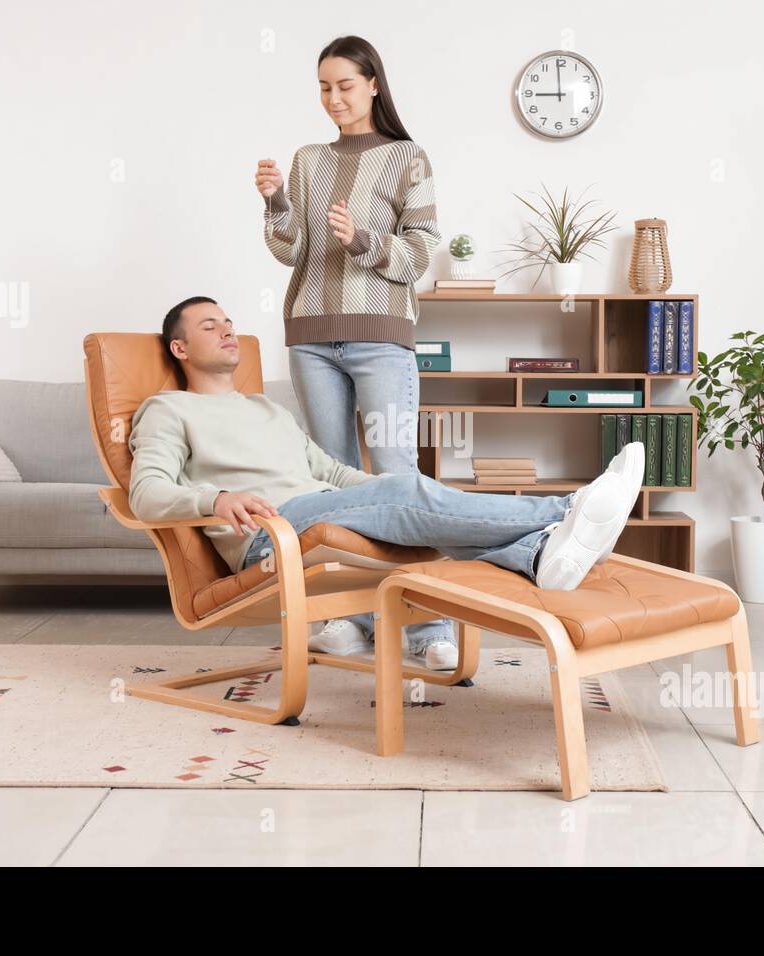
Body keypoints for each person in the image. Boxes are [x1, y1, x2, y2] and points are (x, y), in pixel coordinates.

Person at [128, 298, 644, 669]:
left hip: (321, 508)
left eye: (230, 323)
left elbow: (331, 472)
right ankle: (567, 511)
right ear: (179, 347)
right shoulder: (167, 409)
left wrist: (377, 491)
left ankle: (536, 555)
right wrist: (215, 498)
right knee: (406, 492)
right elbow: (145, 495)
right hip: (270, 534)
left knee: (406, 493)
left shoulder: (266, 408)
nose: (227, 331)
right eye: (210, 325)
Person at [253, 35, 453, 661]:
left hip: (379, 337)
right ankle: (349, 618)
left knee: (395, 476)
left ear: (372, 84)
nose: (333, 98)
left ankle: (427, 627)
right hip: (311, 337)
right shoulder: (309, 158)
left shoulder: (406, 157)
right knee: (330, 484)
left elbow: (420, 253)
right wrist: (277, 202)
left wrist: (367, 240)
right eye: (323, 87)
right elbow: (292, 250)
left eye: (344, 85)